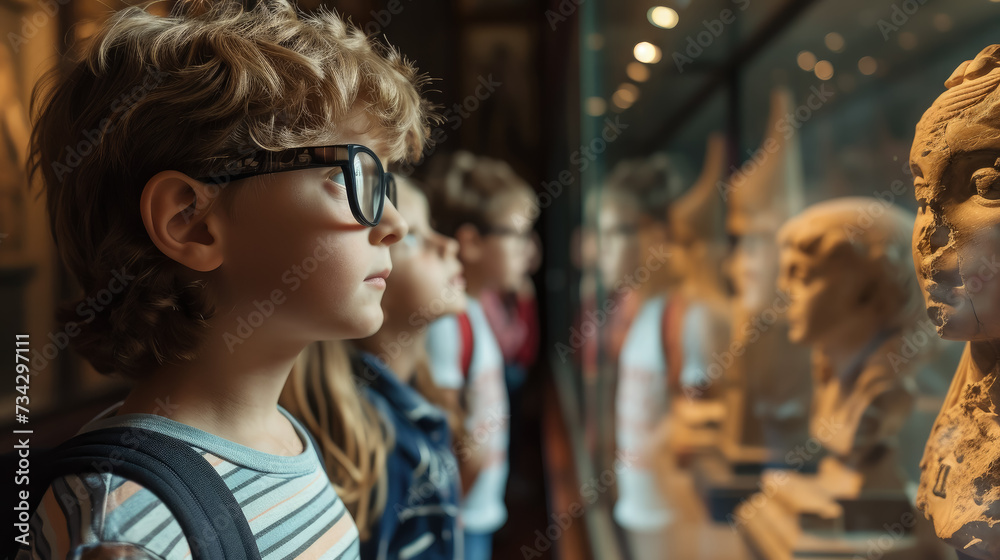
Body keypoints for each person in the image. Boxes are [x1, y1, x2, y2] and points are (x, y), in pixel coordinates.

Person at [15, 1, 432, 557]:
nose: (396, 224)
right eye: (348, 174)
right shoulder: (127, 523)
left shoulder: (280, 439)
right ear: (193, 221)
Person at [282, 175, 466, 560]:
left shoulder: (414, 398)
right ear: (375, 275)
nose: (448, 245)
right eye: (415, 237)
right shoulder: (372, 444)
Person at [422, 152, 538, 560]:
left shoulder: (474, 308)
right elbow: (446, 425)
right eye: (519, 234)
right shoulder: (448, 322)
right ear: (471, 242)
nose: (530, 249)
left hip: (475, 510)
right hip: (459, 517)